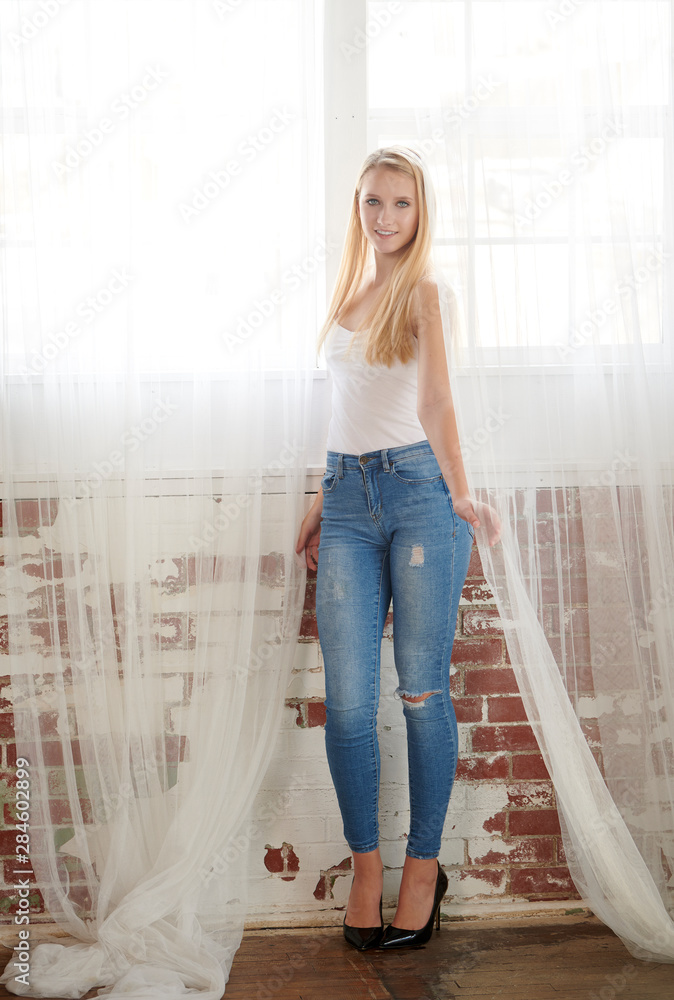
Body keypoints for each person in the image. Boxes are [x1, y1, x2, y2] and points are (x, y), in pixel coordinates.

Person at [295, 145, 502, 951]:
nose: (384, 218)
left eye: (400, 204)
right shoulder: (349, 293)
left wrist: (458, 489)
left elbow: (436, 401)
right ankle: (366, 866)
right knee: (347, 703)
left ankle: (423, 869)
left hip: (421, 496)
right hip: (347, 497)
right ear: (357, 207)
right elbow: (347, 408)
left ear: (422, 212)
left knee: (420, 693)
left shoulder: (424, 292)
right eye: (372, 202)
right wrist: (321, 498)